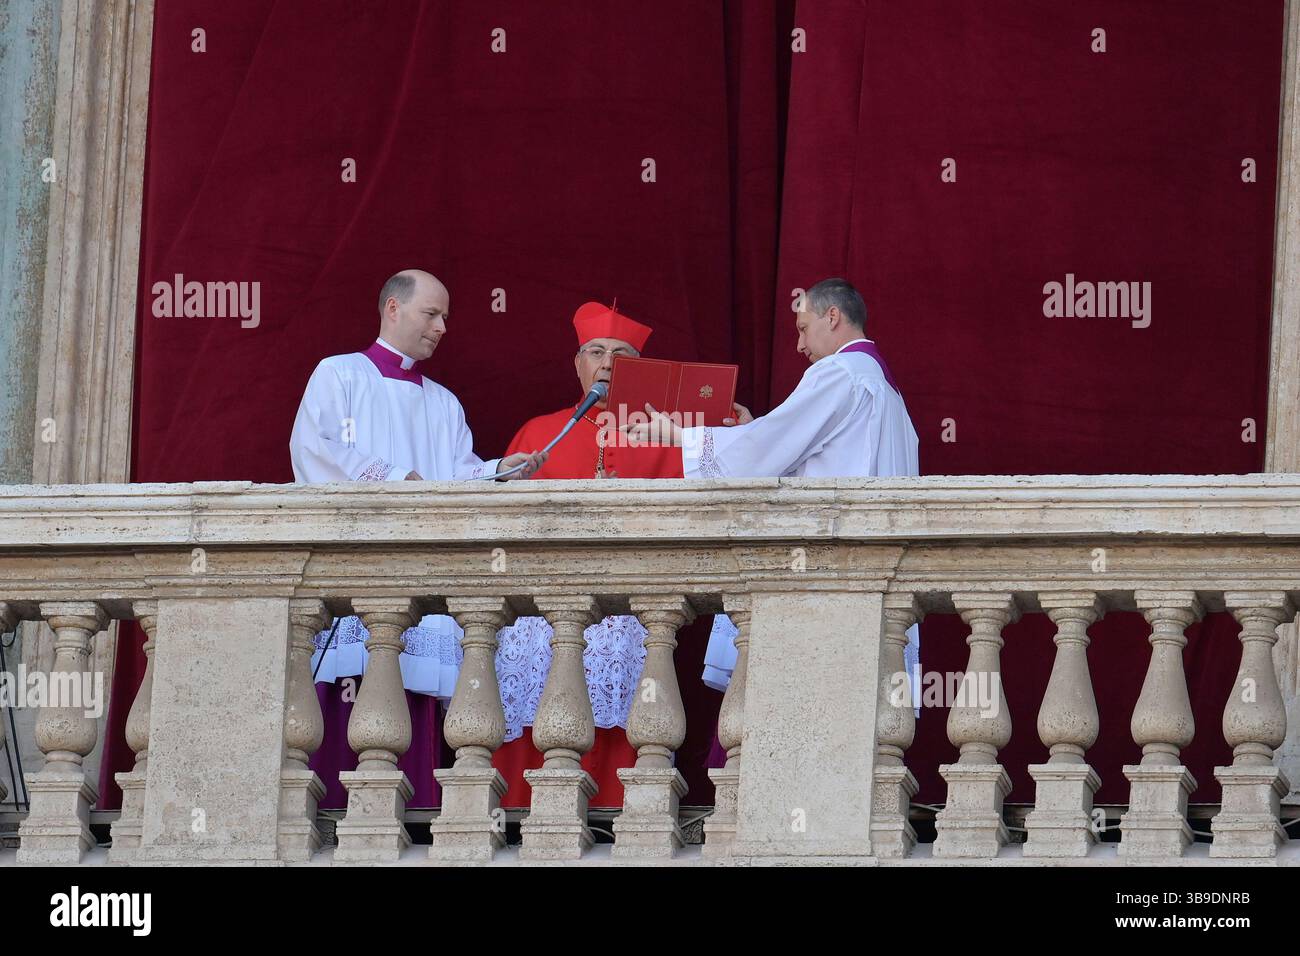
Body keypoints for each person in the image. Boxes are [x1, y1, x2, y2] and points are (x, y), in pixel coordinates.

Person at [289, 268, 545, 808]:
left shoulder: (443, 402)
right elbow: (316, 448)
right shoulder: (339, 374)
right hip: (356, 575)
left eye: (445, 316)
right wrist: (392, 478)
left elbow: (456, 478)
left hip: (424, 590)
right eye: (432, 314)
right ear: (393, 308)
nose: (442, 327)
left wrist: (499, 471)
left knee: (415, 712)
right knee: (345, 711)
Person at [623, 277, 921, 693]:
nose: (799, 345)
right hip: (872, 573)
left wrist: (679, 435)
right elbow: (816, 458)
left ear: (833, 316)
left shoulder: (839, 372)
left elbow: (763, 451)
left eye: (803, 328)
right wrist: (755, 429)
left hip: (824, 570)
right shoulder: (885, 388)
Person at [493, 301, 729, 810]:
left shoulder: (669, 435)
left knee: (623, 718)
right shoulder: (540, 432)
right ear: (577, 363)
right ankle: (521, 816)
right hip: (543, 609)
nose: (606, 363)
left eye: (621, 355)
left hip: (629, 609)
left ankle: (612, 816)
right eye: (596, 352)